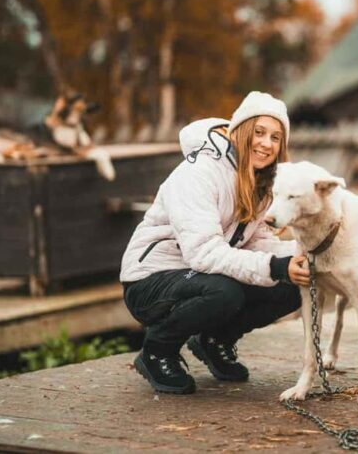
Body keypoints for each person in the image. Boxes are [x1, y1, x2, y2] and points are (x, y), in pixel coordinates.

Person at [119, 91, 309, 395]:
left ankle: (215, 340)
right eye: (259, 132)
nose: (267, 143)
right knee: (224, 292)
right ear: (241, 131)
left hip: (202, 274)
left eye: (276, 137)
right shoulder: (199, 172)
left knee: (292, 284)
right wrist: (276, 266)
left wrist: (304, 255)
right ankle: (157, 351)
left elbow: (257, 242)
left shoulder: (260, 181)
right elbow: (204, 253)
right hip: (151, 279)